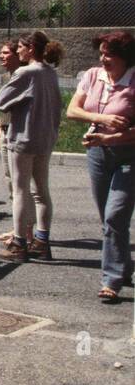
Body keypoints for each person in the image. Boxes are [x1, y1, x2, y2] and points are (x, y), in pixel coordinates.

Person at [66, 31, 135, 302]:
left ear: (125, 58)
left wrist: (110, 136)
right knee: (107, 218)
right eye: (102, 53)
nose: (103, 58)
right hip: (97, 153)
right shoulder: (93, 76)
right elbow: (73, 110)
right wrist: (100, 118)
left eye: (109, 54)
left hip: (129, 156)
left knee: (115, 216)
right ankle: (124, 267)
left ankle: (111, 280)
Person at [0, 31, 62, 261]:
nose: (18, 51)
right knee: (42, 191)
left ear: (31, 48)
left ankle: (19, 243)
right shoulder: (50, 73)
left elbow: (1, 101)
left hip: (24, 138)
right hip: (45, 138)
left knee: (21, 189)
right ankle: (42, 240)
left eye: (21, 47)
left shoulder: (26, 72)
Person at [0, 40, 22, 243]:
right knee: (10, 182)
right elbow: (5, 109)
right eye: (0, 53)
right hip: (5, 129)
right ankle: (17, 227)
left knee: (21, 185)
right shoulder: (5, 77)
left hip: (18, 133)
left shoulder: (24, 76)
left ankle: (24, 231)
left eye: (5, 53)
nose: (1, 57)